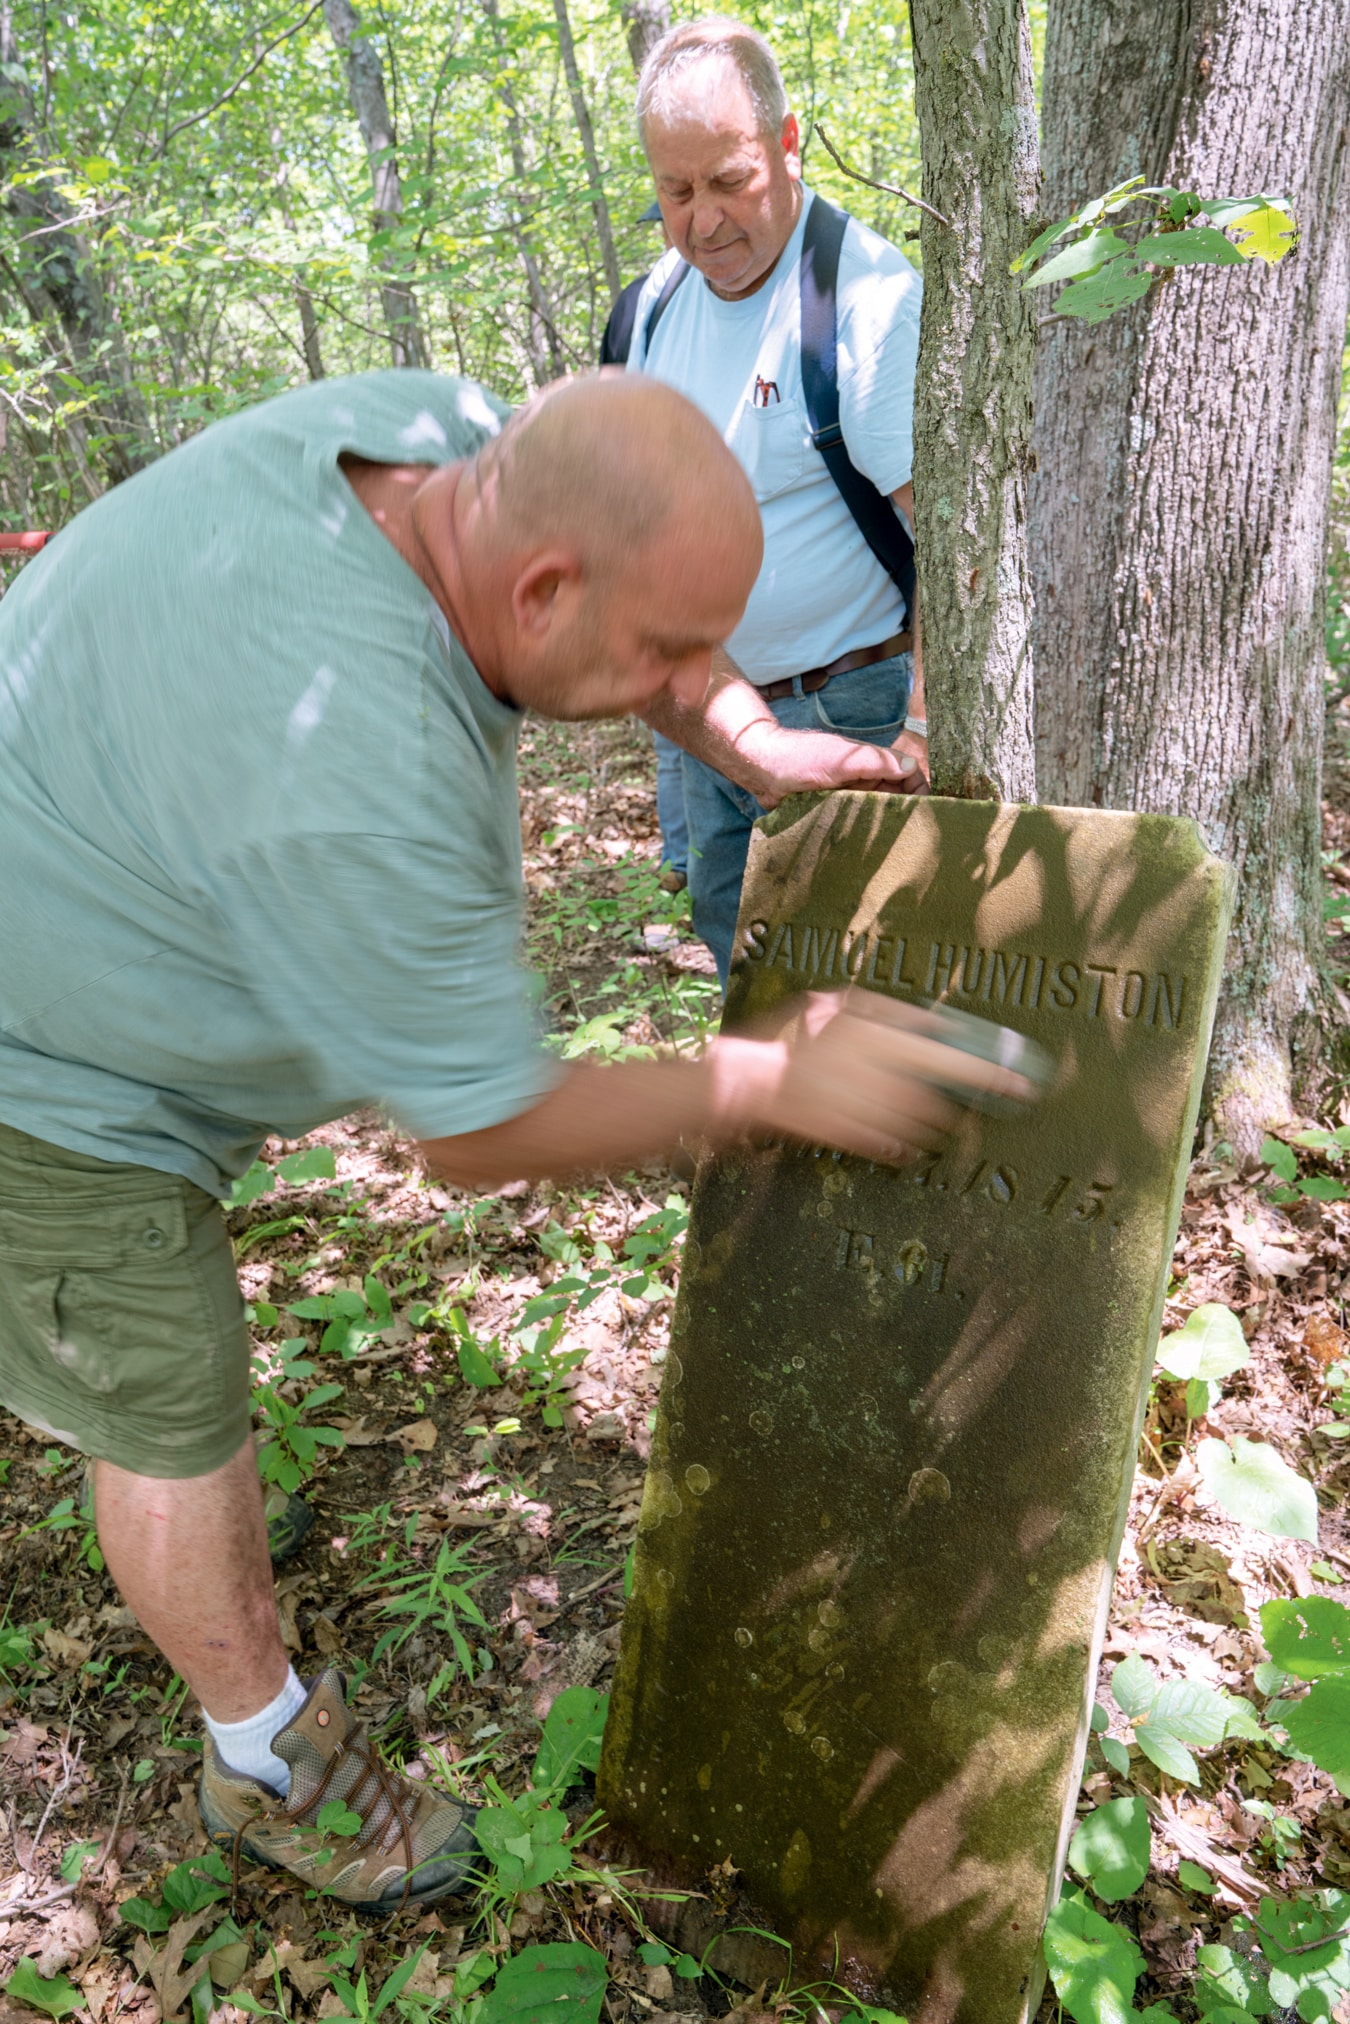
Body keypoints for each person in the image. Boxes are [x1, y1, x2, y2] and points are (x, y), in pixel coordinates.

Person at [0, 367, 1030, 1912]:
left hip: (81, 860)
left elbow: (630, 608)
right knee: (167, 1402)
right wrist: (769, 1082)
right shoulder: (362, 767)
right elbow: (479, 1130)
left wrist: (747, 735)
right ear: (539, 590)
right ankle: (264, 1759)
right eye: (663, 652)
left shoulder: (437, 427)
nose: (680, 676)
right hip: (44, 1069)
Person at [622, 16, 927, 986]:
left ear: (786, 142)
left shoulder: (864, 299)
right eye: (676, 192)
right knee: (748, 979)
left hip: (855, 713)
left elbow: (955, 551)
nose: (703, 221)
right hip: (713, 722)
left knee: (868, 992)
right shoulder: (650, 313)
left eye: (729, 181)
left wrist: (922, 729)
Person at [601, 204, 691, 894]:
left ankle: (683, 861)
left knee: (683, 712)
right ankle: (685, 861)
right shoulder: (647, 304)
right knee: (678, 713)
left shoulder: (641, 300)